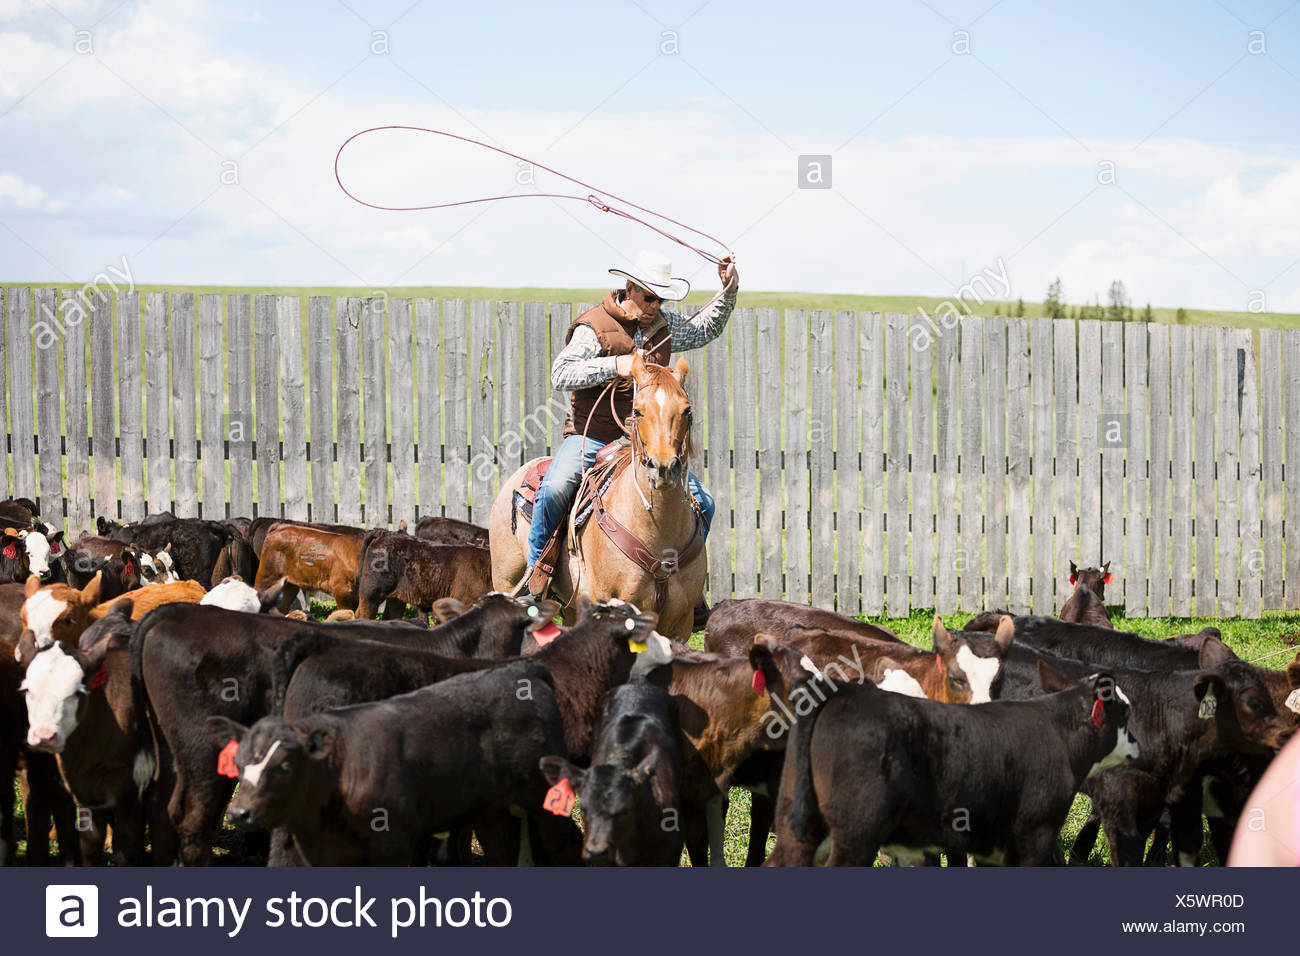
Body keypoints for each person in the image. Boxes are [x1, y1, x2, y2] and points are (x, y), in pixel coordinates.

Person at [525, 249, 739, 626]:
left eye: (661, 300)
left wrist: (729, 290)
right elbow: (561, 373)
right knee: (556, 487)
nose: (655, 306)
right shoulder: (594, 326)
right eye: (650, 297)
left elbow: (706, 329)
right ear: (631, 289)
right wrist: (615, 364)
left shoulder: (663, 324)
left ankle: (689, 591)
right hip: (592, 434)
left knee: (703, 501)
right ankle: (536, 579)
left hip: (646, 440)